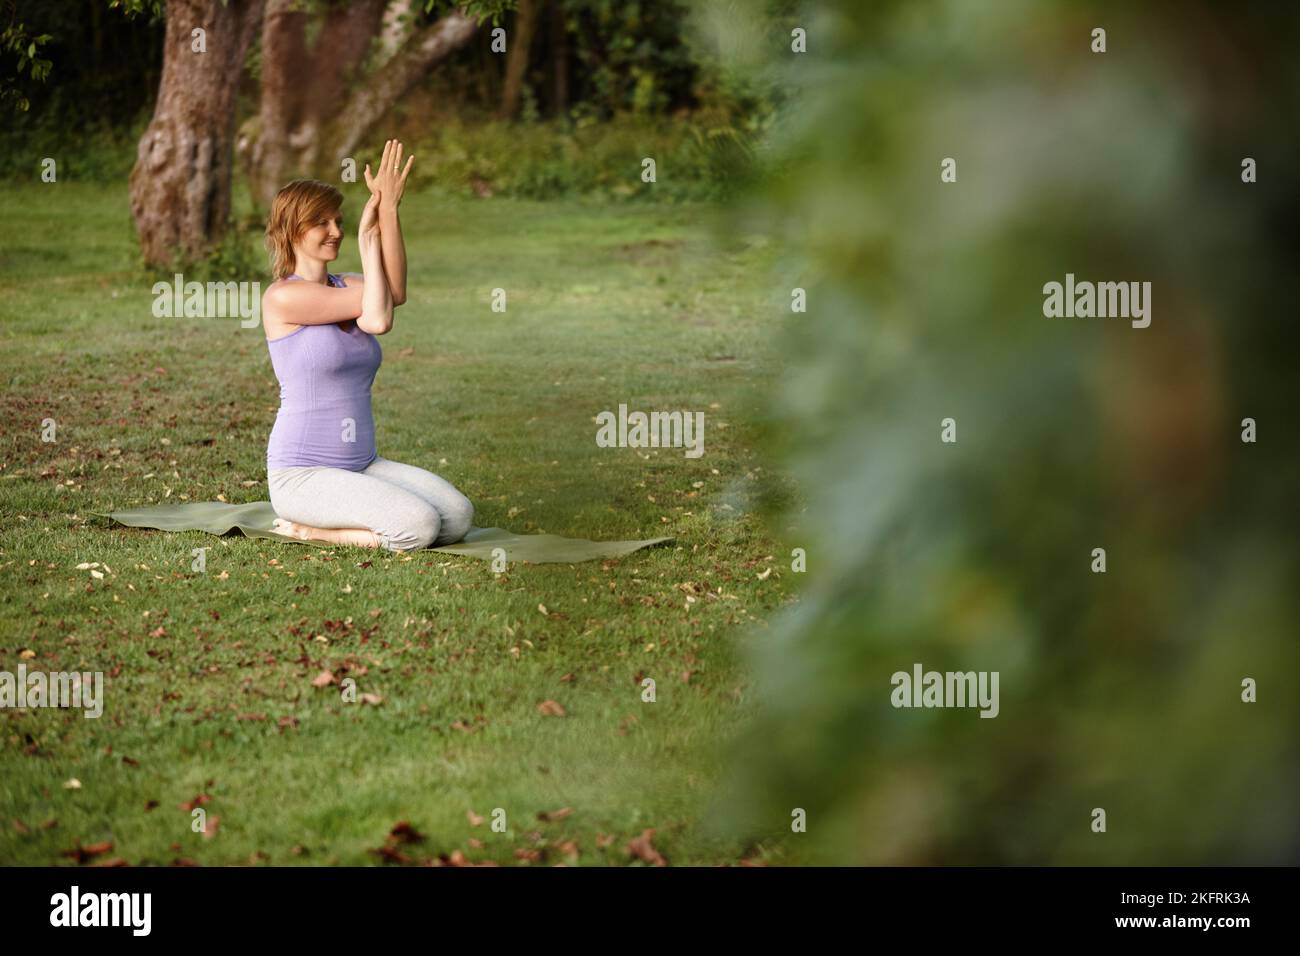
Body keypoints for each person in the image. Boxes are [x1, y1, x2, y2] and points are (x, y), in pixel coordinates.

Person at [260, 140, 473, 550]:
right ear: (293, 229)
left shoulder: (350, 284)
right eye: (322, 222)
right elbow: (378, 316)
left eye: (339, 221)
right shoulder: (283, 298)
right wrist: (365, 237)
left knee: (458, 516)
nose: (335, 231)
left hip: (361, 465)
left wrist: (388, 210)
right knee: (421, 526)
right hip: (302, 474)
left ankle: (347, 519)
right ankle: (314, 530)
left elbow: (394, 291)